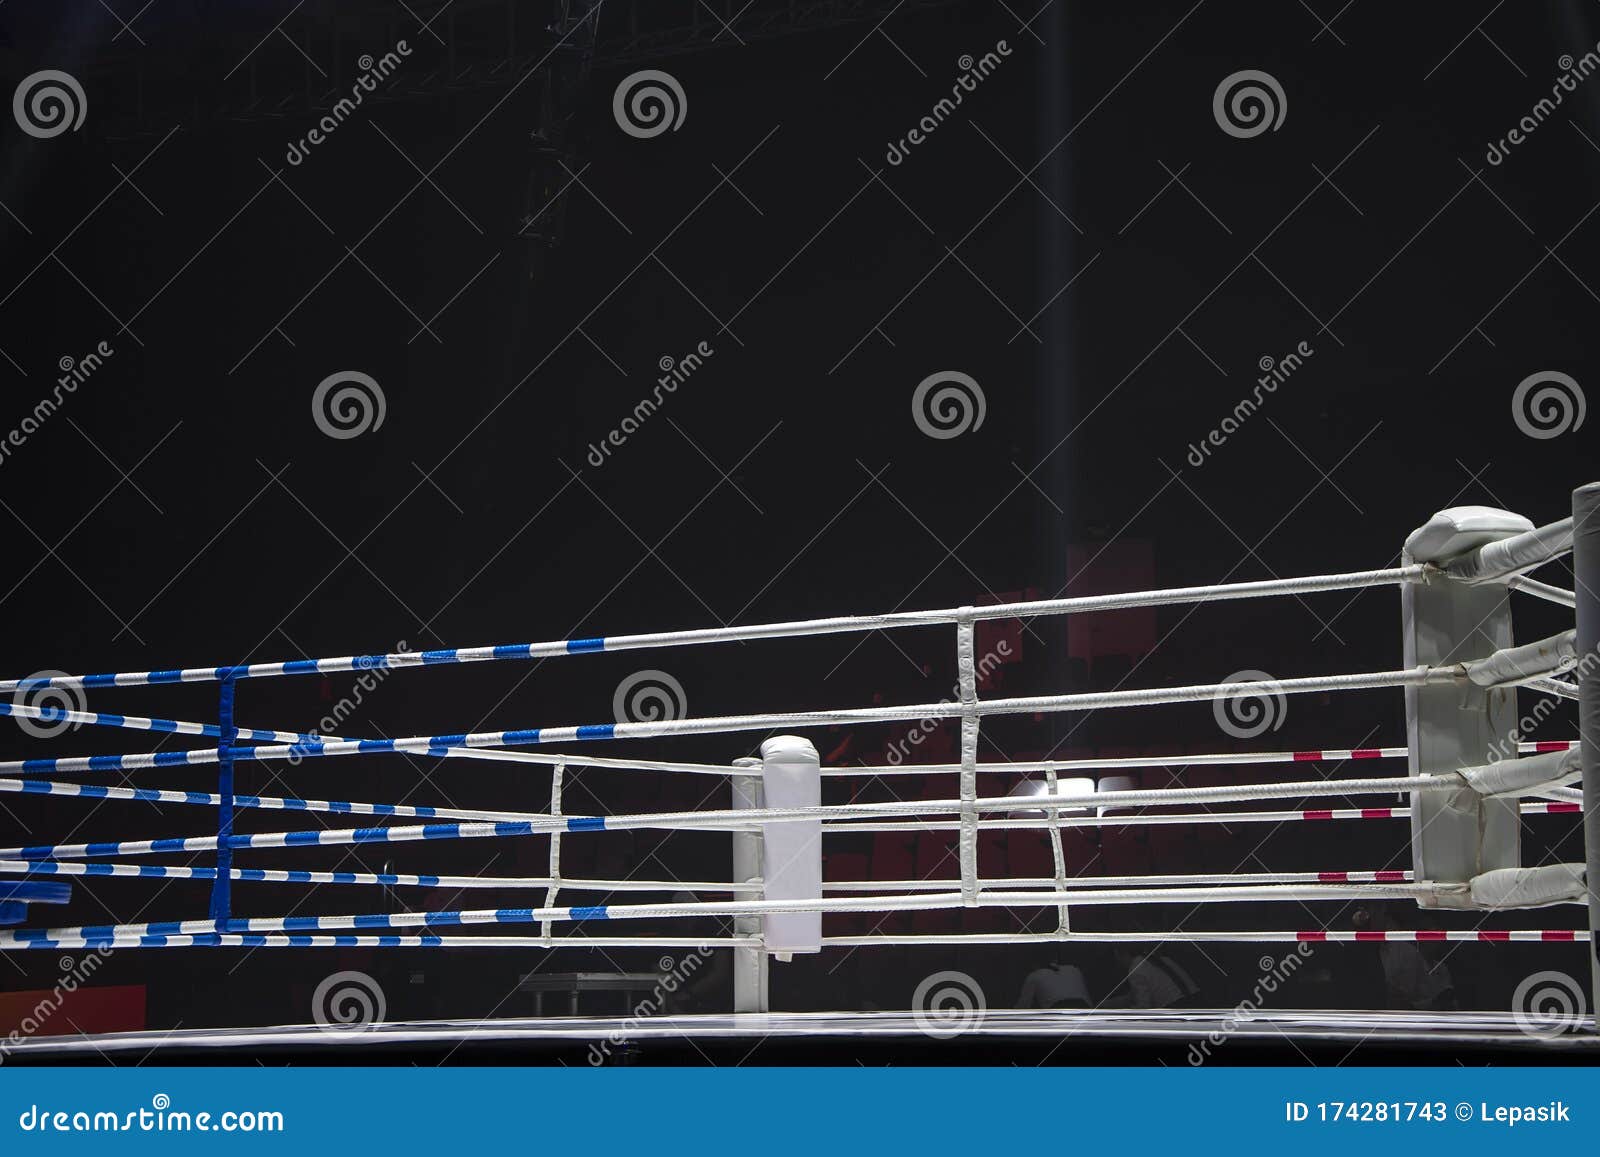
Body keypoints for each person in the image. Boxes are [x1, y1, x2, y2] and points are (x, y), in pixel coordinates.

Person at [1110, 943, 1200, 1008]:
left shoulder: (1136, 969)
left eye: (1117, 957)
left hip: (1176, 1008)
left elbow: (1144, 1007)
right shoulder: (1161, 958)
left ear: (1123, 954)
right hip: (1197, 1000)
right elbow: (1133, 995)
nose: (1118, 963)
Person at [1015, 952, 1092, 1009]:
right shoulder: (1074, 969)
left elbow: (1023, 1005)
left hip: (1059, 1011)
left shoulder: (1034, 975)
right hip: (1085, 1008)